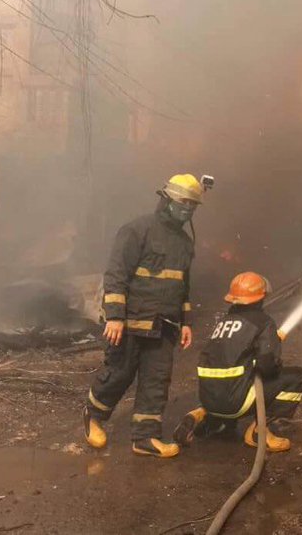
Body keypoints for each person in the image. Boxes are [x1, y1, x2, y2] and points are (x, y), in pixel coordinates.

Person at [83, 174, 204, 458]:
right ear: (166, 199)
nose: (188, 209)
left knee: (156, 381)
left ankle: (145, 438)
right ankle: (93, 416)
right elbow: (116, 274)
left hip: (165, 325)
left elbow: (183, 286)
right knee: (119, 374)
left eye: (193, 205)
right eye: (184, 202)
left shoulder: (185, 243)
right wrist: (115, 316)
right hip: (131, 323)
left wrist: (186, 322)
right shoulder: (137, 230)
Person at [173, 272, 302, 452]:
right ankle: (260, 432)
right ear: (261, 297)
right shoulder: (263, 322)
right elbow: (267, 367)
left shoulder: (224, 322)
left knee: (232, 383)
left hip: (208, 399)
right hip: (234, 403)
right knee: (297, 376)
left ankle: (203, 416)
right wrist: (273, 348)